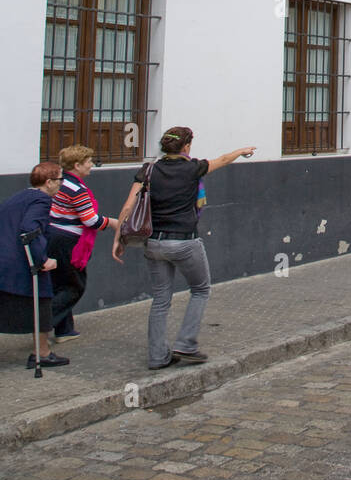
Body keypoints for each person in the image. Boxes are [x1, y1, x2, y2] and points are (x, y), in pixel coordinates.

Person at [113, 127, 255, 370]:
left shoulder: (148, 170)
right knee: (200, 289)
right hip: (184, 242)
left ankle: (157, 356)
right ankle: (186, 343)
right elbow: (221, 160)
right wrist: (241, 151)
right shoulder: (193, 168)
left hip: (154, 242)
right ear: (186, 147)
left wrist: (119, 239)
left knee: (160, 299)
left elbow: (128, 207)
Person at [47, 146, 118, 342]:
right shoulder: (78, 190)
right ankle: (43, 322)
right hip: (69, 242)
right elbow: (90, 220)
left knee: (59, 284)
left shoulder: (59, 184)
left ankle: (64, 330)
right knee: (73, 286)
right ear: (77, 165)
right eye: (88, 161)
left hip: (52, 236)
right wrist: (112, 223)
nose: (91, 165)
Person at [0, 162, 67, 368]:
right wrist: (43, 259)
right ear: (48, 182)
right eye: (59, 180)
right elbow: (30, 228)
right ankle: (42, 353)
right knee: (42, 300)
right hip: (20, 261)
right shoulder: (42, 199)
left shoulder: (19, 197)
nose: (61, 184)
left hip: (5, 259)